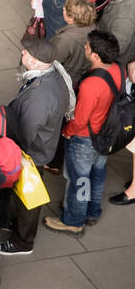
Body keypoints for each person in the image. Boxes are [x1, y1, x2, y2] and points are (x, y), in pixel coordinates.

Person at [45, 30, 122, 237]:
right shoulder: (116, 69)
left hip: (85, 139)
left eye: (87, 47)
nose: (85, 48)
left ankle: (73, 221)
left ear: (96, 56)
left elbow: (79, 120)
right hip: (105, 135)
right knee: (97, 174)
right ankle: (92, 211)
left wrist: (67, 132)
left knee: (80, 180)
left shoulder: (90, 85)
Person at [1, 39, 72, 256]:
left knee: (28, 198)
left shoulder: (38, 97)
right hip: (45, 146)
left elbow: (26, 132)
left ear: (37, 62)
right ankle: (18, 226)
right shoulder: (54, 74)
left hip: (33, 154)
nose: (22, 53)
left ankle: (23, 241)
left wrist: (11, 151)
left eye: (26, 52)